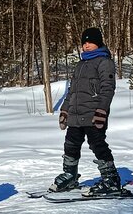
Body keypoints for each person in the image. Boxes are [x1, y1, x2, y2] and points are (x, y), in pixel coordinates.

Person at [50, 27, 123, 196]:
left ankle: (111, 179)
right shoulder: (80, 64)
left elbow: (108, 89)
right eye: (84, 42)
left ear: (98, 43)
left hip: (94, 114)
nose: (87, 45)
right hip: (76, 115)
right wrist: (65, 111)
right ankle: (70, 175)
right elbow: (72, 91)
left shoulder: (104, 62)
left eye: (90, 42)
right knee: (70, 144)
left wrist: (101, 111)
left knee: (97, 144)